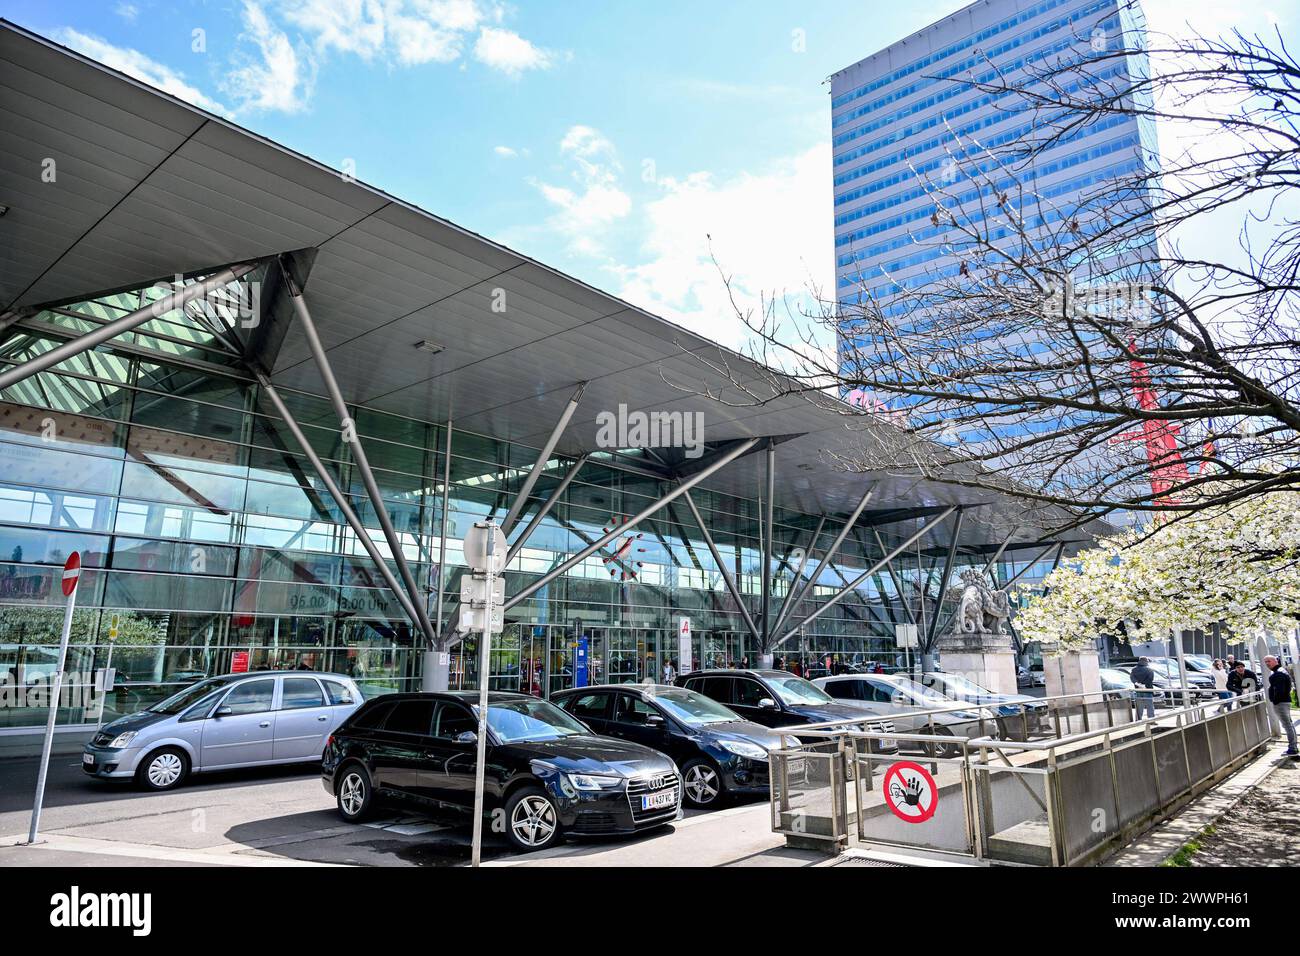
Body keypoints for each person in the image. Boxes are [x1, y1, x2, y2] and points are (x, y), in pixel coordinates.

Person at [1265, 656, 1298, 756]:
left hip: (1281, 703)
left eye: (1269, 661)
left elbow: (1280, 690)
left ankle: (1292, 749)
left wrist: (1275, 701)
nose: (1267, 663)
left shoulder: (1279, 673)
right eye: (1265, 662)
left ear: (1275, 661)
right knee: (1289, 725)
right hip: (1284, 702)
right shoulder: (1280, 671)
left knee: (1287, 725)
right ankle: (1293, 747)